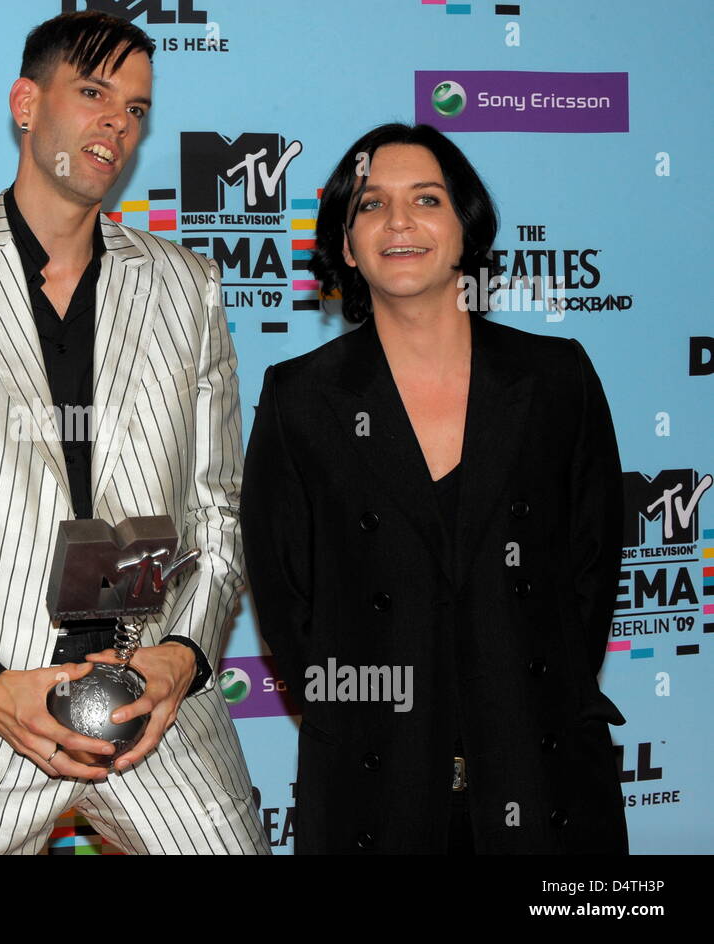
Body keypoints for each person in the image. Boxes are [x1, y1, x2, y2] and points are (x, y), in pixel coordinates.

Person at [0, 11, 268, 854]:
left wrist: (182, 657)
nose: (118, 121)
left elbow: (222, 510)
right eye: (94, 93)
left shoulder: (189, 286)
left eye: (138, 108)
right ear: (26, 103)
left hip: (156, 709)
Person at [240, 122, 627, 854]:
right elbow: (287, 604)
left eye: (426, 199)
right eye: (371, 205)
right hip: (373, 794)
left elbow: (591, 570)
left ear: (465, 228)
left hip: (546, 783)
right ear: (347, 247)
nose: (399, 223)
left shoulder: (555, 380)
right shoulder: (299, 400)